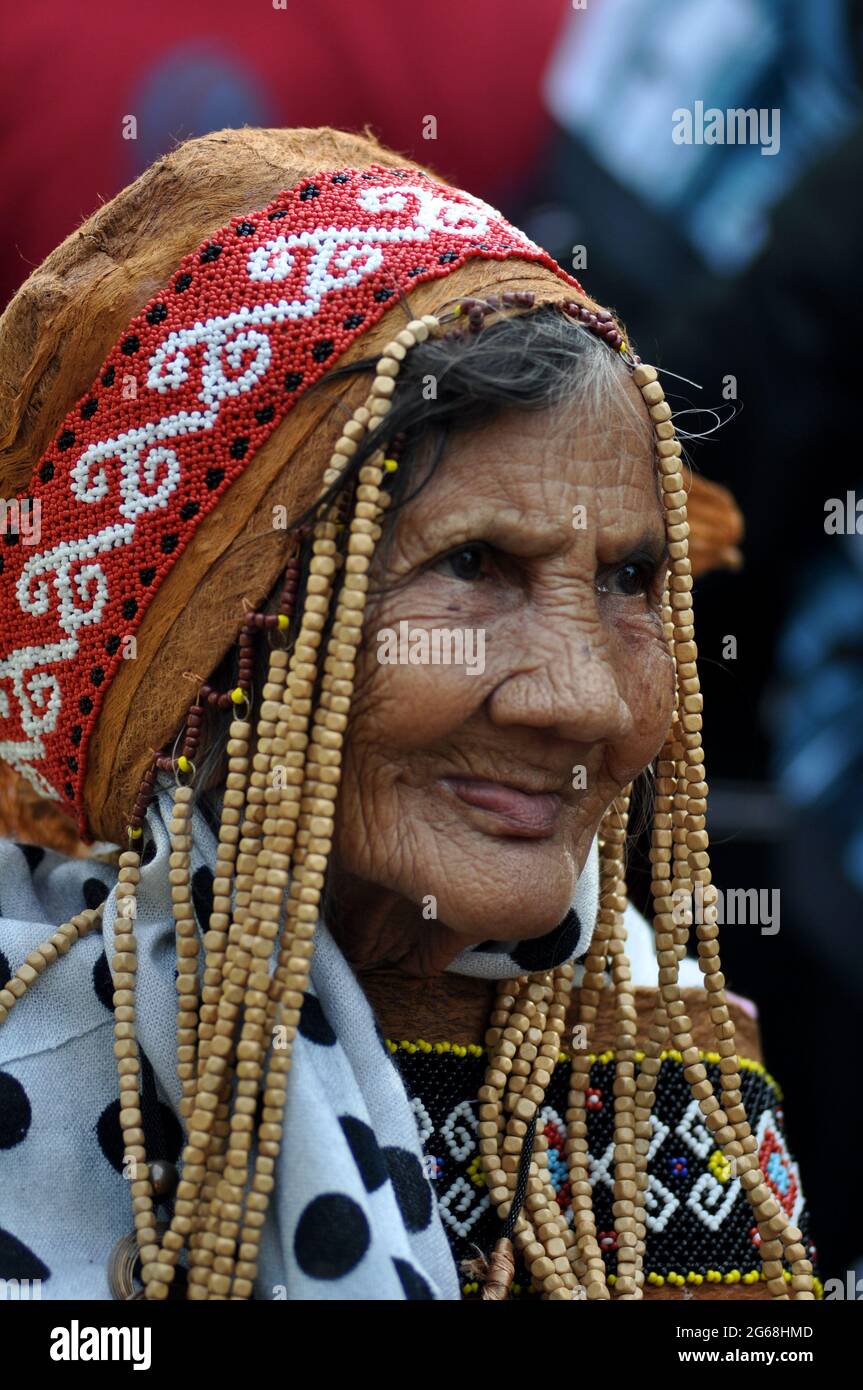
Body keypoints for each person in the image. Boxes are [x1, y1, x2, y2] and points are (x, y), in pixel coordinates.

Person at [0, 127, 816, 1301]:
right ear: (212, 644)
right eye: (475, 565)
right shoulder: (40, 1040)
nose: (581, 699)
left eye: (629, 578)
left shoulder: (651, 1079)